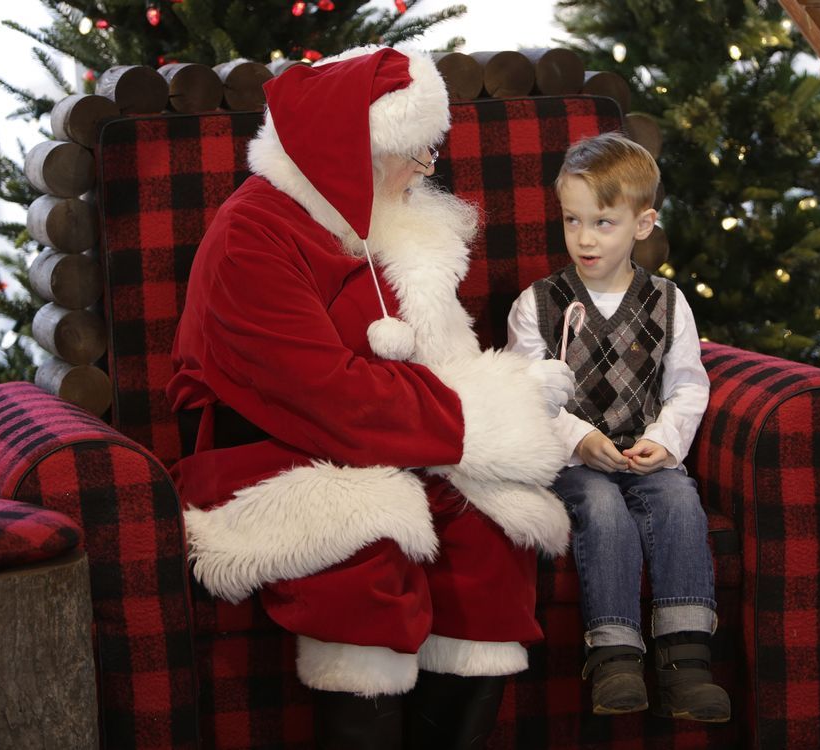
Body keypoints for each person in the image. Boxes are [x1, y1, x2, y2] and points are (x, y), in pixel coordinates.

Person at [166, 45, 576, 750]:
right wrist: (482, 421)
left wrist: (476, 418)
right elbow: (325, 394)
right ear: (350, 152)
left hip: (386, 432)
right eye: (414, 154)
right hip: (267, 449)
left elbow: (443, 357)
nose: (424, 171)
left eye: (428, 153)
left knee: (492, 532)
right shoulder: (250, 236)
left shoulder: (394, 222)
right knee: (369, 546)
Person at [506, 132, 730, 722]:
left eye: (603, 222)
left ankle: (686, 658)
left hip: (645, 452)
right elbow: (527, 392)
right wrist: (577, 436)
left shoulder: (666, 301)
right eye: (572, 220)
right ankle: (614, 656)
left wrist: (664, 439)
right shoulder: (539, 304)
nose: (584, 237)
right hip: (575, 462)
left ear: (642, 223)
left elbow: (687, 383)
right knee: (602, 509)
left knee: (679, 500)